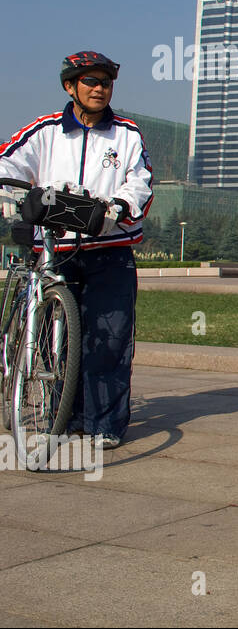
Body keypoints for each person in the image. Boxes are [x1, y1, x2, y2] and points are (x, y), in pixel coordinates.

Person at [0, 51, 154, 448]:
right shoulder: (45, 130)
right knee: (59, 340)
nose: (99, 88)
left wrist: (118, 207)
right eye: (90, 81)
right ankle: (63, 418)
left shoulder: (126, 133)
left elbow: (140, 181)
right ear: (71, 87)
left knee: (111, 338)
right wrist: (13, 191)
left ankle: (104, 424)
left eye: (105, 82)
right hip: (54, 249)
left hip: (109, 248)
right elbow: (8, 164)